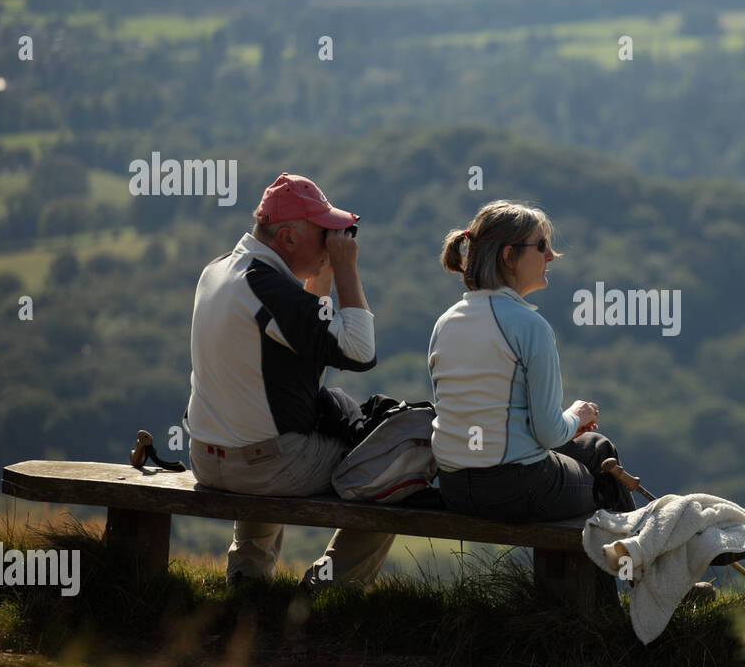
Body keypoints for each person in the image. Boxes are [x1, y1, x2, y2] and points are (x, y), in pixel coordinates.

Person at [185, 172, 394, 591]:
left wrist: (325, 265)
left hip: (208, 460)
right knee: (390, 469)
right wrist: (346, 268)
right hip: (267, 466)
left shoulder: (220, 271)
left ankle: (249, 580)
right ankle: (329, 588)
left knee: (266, 429)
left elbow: (307, 332)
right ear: (289, 237)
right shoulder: (269, 291)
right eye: (327, 233)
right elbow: (359, 351)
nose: (335, 242)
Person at [428, 200, 634, 522]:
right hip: (515, 488)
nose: (551, 256)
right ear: (509, 257)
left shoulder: (445, 322)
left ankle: (630, 561)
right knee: (601, 467)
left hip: (454, 486)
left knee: (592, 448)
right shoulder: (530, 326)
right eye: (541, 246)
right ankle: (635, 560)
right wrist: (577, 415)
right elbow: (550, 434)